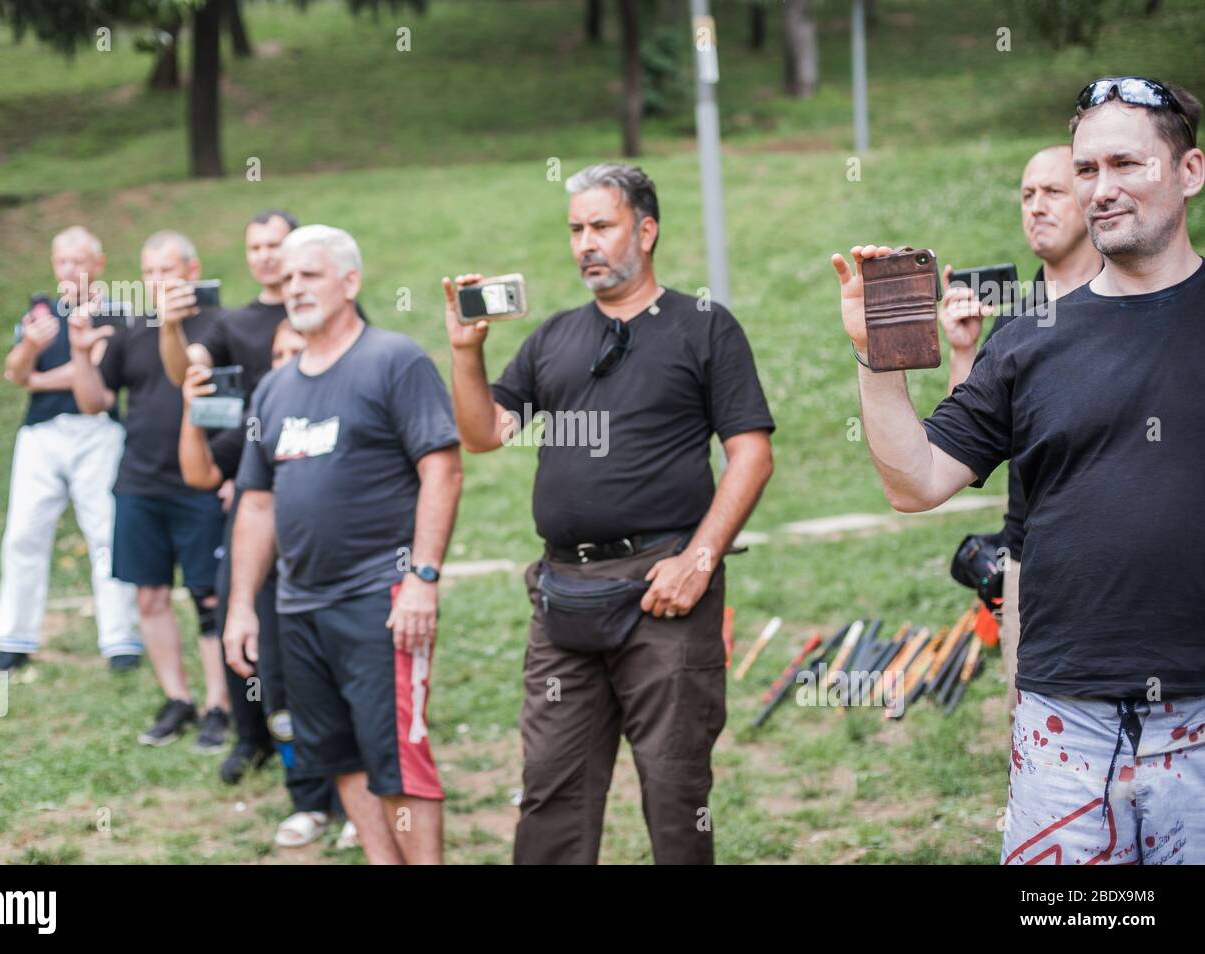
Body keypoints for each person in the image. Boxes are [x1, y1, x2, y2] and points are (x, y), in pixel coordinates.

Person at [832, 77, 1205, 864]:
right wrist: (877, 361)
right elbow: (916, 480)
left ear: (1190, 172)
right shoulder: (1030, 340)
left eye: (1124, 165)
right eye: (1086, 170)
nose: (1100, 190)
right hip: (1064, 718)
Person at [446, 163, 775, 864]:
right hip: (564, 598)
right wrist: (465, 354)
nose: (585, 243)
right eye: (575, 229)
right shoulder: (554, 337)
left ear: (646, 230)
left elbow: (751, 455)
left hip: (665, 594)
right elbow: (482, 435)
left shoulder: (704, 327)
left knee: (675, 793)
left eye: (602, 225)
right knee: (550, 793)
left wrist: (699, 559)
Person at [225, 225, 463, 865]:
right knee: (340, 757)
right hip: (299, 607)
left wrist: (422, 577)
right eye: (289, 277)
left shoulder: (393, 360)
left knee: (398, 761)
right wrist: (243, 605)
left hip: (379, 598)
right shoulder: (274, 389)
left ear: (350, 282)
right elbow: (257, 502)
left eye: (311, 274)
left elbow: (441, 468)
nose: (293, 286)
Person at [938, 145, 1102, 717]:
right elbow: (970, 450)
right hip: (1031, 563)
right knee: (1034, 738)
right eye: (1027, 195)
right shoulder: (1015, 318)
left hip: (1132, 565)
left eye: (1052, 192)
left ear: (1089, 196)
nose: (1036, 207)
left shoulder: (1134, 298)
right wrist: (963, 351)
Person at [178, 319, 350, 849]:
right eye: (276, 353)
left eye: (294, 350)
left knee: (344, 694)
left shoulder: (350, 406)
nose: (283, 362)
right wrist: (190, 411)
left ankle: (357, 805)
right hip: (270, 581)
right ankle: (308, 800)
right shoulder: (264, 414)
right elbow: (202, 475)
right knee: (279, 689)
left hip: (340, 577)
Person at [156, 209, 304, 786]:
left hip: (317, 497)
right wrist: (171, 328)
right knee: (236, 615)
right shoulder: (232, 324)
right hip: (247, 494)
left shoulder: (327, 311)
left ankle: (313, 736)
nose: (266, 255)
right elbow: (185, 375)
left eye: (277, 244)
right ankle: (251, 734)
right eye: (256, 246)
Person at [68, 231, 230, 750]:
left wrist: (231, 475)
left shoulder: (219, 325)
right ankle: (177, 698)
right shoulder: (129, 328)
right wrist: (80, 355)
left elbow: (201, 385)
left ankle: (219, 705)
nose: (158, 281)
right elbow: (95, 402)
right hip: (138, 481)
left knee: (209, 596)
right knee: (150, 595)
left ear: (192, 269)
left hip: (200, 481)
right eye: (150, 273)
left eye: (168, 270)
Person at [0, 226, 142, 673]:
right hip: (41, 433)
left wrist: (36, 376)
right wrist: (30, 349)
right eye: (61, 261)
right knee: (23, 533)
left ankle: (121, 642)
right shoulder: (40, 315)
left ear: (98, 264)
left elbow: (92, 376)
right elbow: (14, 370)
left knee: (106, 534)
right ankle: (15, 640)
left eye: (78, 261)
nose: (69, 269)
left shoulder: (117, 312)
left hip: (97, 432)